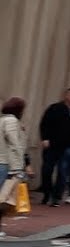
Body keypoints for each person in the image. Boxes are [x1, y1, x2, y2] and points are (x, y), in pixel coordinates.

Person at [38, 87, 70, 206]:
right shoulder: (55, 108)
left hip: (68, 147)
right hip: (52, 145)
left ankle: (56, 197)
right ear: (67, 96)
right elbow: (44, 123)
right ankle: (47, 193)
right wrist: (45, 138)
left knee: (63, 172)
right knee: (47, 170)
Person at [1, 97, 32, 237]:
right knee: (4, 198)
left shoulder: (2, 120)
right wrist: (20, 166)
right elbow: (15, 144)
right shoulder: (12, 121)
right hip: (6, 164)